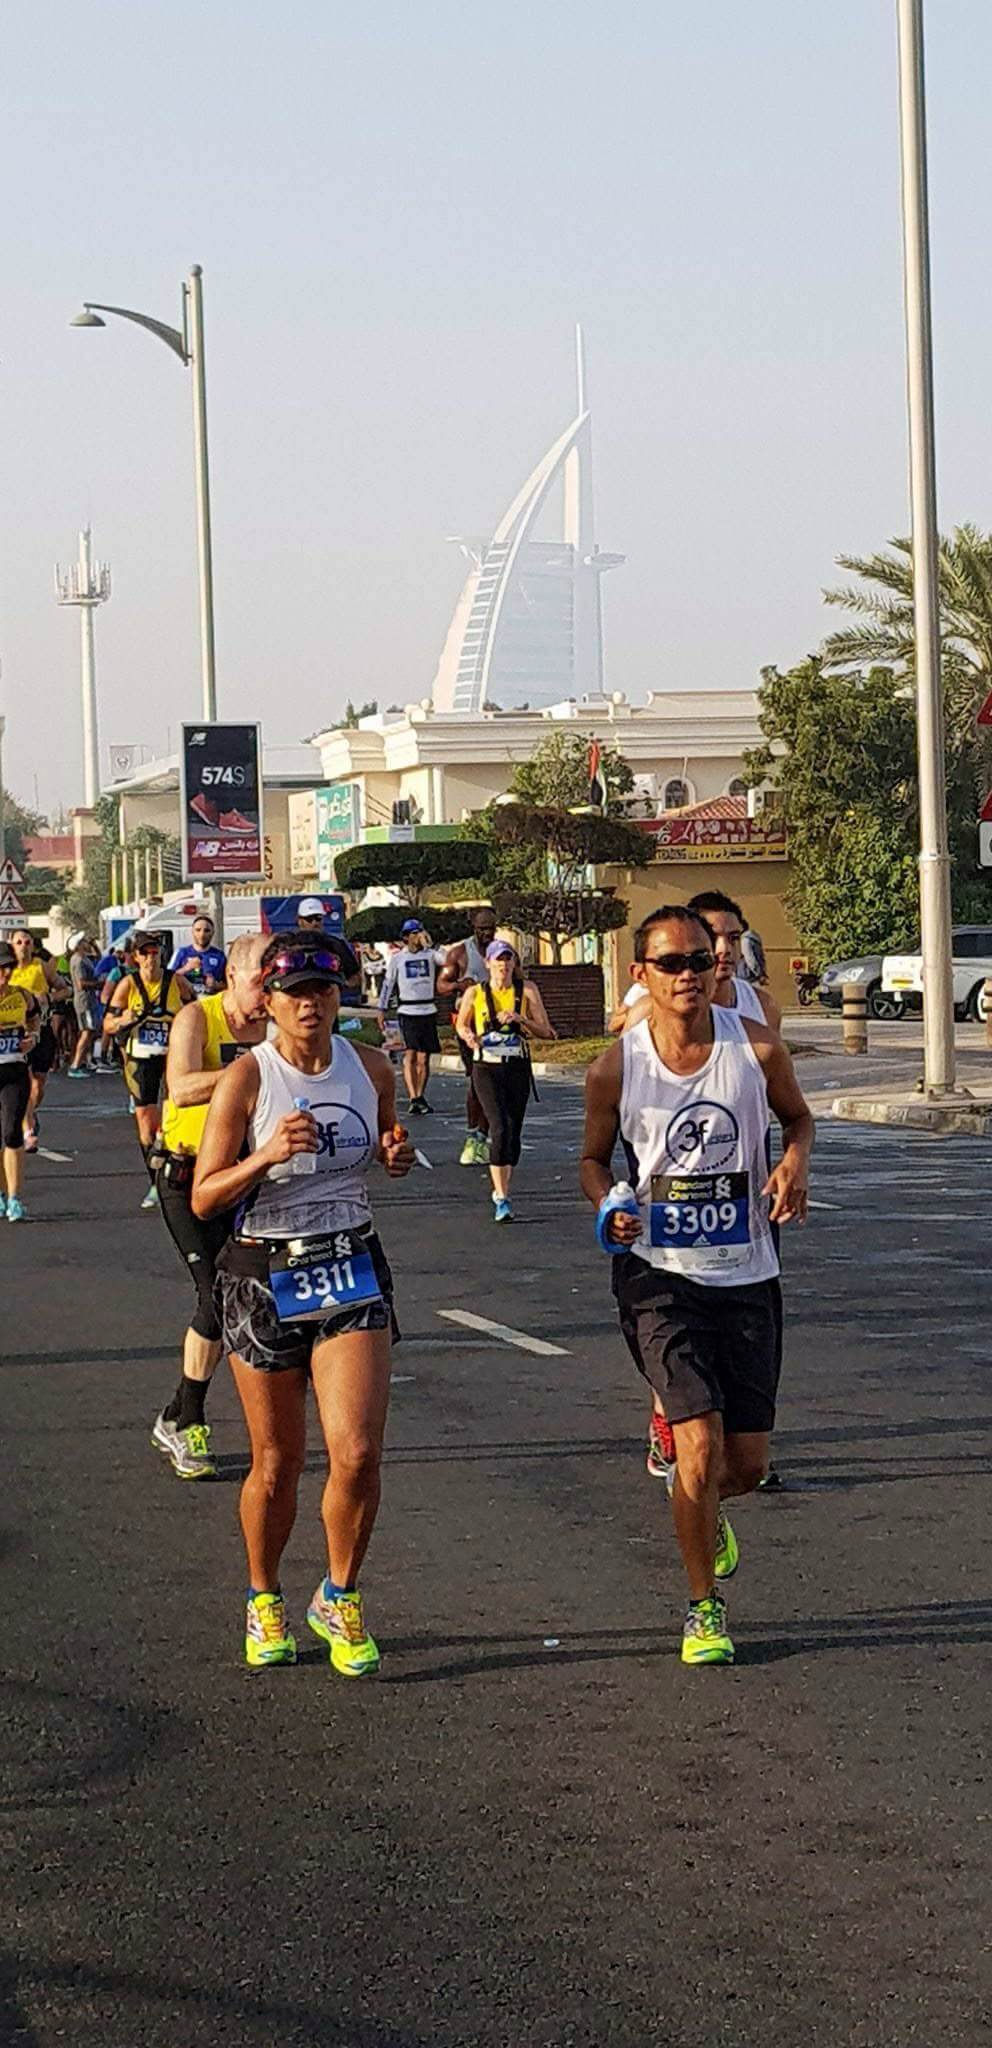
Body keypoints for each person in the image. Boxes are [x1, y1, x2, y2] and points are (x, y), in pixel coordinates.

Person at [580, 905, 813, 1666]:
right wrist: (611, 1203)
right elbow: (591, 1160)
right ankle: (702, 1608)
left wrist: (793, 1161)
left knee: (742, 1465)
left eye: (700, 960)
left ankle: (704, 1507)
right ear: (640, 975)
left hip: (746, 1271)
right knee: (697, 1447)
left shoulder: (757, 1050)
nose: (688, 974)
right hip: (659, 1276)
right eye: (671, 963)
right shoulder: (617, 1065)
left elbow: (799, 1121)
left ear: (719, 967)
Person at [191, 928, 414, 1673]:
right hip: (263, 1273)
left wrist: (395, 1155)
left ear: (339, 996)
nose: (309, 1004)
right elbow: (203, 1195)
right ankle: (263, 1597)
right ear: (271, 1003)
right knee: (277, 1462)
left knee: (355, 1451)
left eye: (323, 990)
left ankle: (340, 1595)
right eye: (293, 992)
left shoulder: (373, 1067)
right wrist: (265, 1155)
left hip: (349, 1264)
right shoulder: (248, 1080)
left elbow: (386, 1148)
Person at [151, 934, 270, 1480]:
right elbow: (180, 1087)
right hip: (185, 1174)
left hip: (243, 1177)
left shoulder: (276, 1026)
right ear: (232, 979)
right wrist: (252, 1070)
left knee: (250, 1296)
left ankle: (177, 1410)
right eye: (259, 982)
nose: (268, 994)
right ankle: (189, 1423)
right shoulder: (199, 1018)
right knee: (215, 1296)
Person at [455, 940, 555, 1223]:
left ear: (514, 964)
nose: (503, 965)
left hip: (517, 1067)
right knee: (498, 1127)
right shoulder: (476, 992)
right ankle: (501, 1196)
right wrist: (468, 1036)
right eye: (498, 960)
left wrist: (520, 1019)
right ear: (488, 963)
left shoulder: (527, 991)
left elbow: (547, 1031)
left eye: (508, 960)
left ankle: (505, 1182)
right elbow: (462, 1024)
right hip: (486, 1067)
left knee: (512, 1131)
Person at [102, 932, 193, 1209]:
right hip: (140, 1056)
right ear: (136, 957)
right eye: (146, 953)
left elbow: (198, 1010)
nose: (151, 958)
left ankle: (174, 1171)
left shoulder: (177, 981)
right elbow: (107, 1023)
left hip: (172, 1056)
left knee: (172, 1114)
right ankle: (154, 1181)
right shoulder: (128, 984)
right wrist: (122, 1021)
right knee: (145, 1120)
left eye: (155, 952)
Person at [436, 908, 497, 1164]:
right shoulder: (460, 953)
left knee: (494, 1083)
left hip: (496, 1025)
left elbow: (519, 980)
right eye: (482, 928)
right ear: (473, 927)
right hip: (469, 1023)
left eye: (490, 928)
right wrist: (459, 985)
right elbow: (441, 986)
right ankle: (474, 1135)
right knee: (476, 1080)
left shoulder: (502, 952)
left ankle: (487, 1133)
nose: (486, 933)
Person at [378, 919, 444, 1114]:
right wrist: (381, 1009)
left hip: (428, 1009)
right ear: (406, 937)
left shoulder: (430, 955)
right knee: (411, 1054)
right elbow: (388, 984)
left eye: (419, 932)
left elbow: (447, 960)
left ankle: (421, 1095)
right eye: (413, 933)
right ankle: (413, 1096)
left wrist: (430, 945)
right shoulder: (398, 959)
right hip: (408, 1011)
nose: (417, 937)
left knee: (424, 1057)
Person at [10, 929, 66, 1152]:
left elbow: (65, 989)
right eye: (19, 942)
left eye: (27, 942)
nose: (23, 946)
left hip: (41, 1030)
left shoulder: (41, 967)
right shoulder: (7, 971)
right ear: (11, 945)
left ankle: (29, 1112)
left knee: (39, 1083)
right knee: (23, 1079)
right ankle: (27, 1128)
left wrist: (49, 997)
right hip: (17, 1034)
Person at [0, 941, 41, 1222]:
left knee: (11, 1131)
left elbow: (36, 1019)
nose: (4, 976)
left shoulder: (22, 996)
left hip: (13, 1069)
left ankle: (14, 1198)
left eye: (7, 969)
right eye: (0, 970)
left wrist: (33, 1038)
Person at [67, 935, 103, 1076]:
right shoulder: (79, 960)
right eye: (84, 942)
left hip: (90, 1000)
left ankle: (84, 1061)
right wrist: (99, 985)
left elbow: (98, 957)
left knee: (91, 1030)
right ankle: (75, 1065)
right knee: (86, 1031)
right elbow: (81, 983)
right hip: (84, 1001)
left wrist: (94, 945)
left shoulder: (86, 958)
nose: (86, 943)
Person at [170, 913, 227, 995]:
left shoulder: (219, 956)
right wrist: (186, 968)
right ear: (192, 932)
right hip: (186, 1002)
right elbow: (168, 978)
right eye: (198, 930)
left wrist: (215, 985)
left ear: (213, 932)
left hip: (209, 1000)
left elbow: (228, 984)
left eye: (207, 930)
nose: (202, 934)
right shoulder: (181, 952)